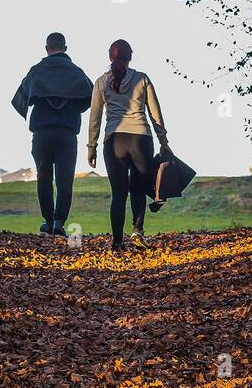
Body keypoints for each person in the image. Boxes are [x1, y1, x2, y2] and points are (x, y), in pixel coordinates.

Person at [87, 39, 171, 251]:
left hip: (114, 141)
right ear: (130, 56)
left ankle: (117, 242)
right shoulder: (142, 79)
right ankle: (137, 232)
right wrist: (164, 141)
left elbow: (94, 118)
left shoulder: (100, 82)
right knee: (138, 189)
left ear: (109, 57)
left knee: (118, 193)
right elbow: (155, 114)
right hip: (141, 139)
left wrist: (92, 147)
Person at [11, 33, 93, 237]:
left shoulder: (36, 71)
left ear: (46, 48)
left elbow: (20, 99)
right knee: (65, 179)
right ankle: (58, 222)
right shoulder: (76, 73)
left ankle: (47, 221)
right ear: (65, 48)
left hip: (42, 133)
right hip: (67, 133)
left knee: (44, 177)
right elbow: (91, 96)